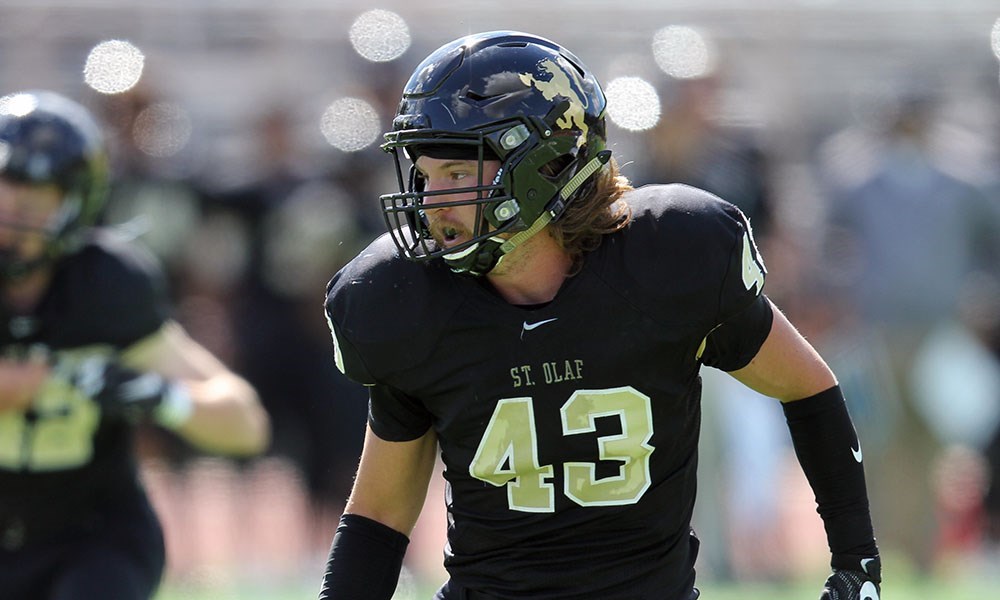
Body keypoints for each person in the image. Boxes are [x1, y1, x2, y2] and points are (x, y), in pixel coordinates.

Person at [320, 31, 880, 600]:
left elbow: (806, 388)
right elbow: (379, 514)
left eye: (459, 174)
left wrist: (856, 563)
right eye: (424, 173)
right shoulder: (405, 300)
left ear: (548, 163)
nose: (431, 199)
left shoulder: (665, 259)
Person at [0, 90, 270, 600]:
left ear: (72, 206)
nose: (9, 212)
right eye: (1, 189)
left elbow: (245, 425)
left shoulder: (105, 283)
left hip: (91, 540)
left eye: (32, 196)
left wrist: (156, 395)